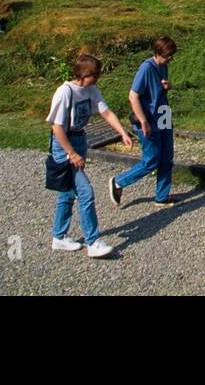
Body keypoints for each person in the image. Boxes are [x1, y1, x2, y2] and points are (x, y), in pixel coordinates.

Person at [47, 53, 133, 258]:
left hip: (79, 139)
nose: (97, 78)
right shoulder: (65, 92)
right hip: (65, 144)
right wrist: (71, 153)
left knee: (68, 192)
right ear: (84, 74)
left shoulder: (91, 90)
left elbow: (106, 112)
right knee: (85, 192)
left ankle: (59, 237)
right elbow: (57, 127)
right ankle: (93, 242)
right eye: (95, 75)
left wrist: (122, 132)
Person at [109, 35, 177, 208]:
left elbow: (157, 91)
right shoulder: (146, 68)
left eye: (171, 56)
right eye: (167, 56)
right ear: (157, 53)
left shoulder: (164, 66)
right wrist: (143, 121)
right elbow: (133, 96)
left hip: (163, 114)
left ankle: (162, 197)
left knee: (167, 157)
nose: (170, 59)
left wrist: (167, 87)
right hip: (148, 118)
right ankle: (118, 182)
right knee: (152, 160)